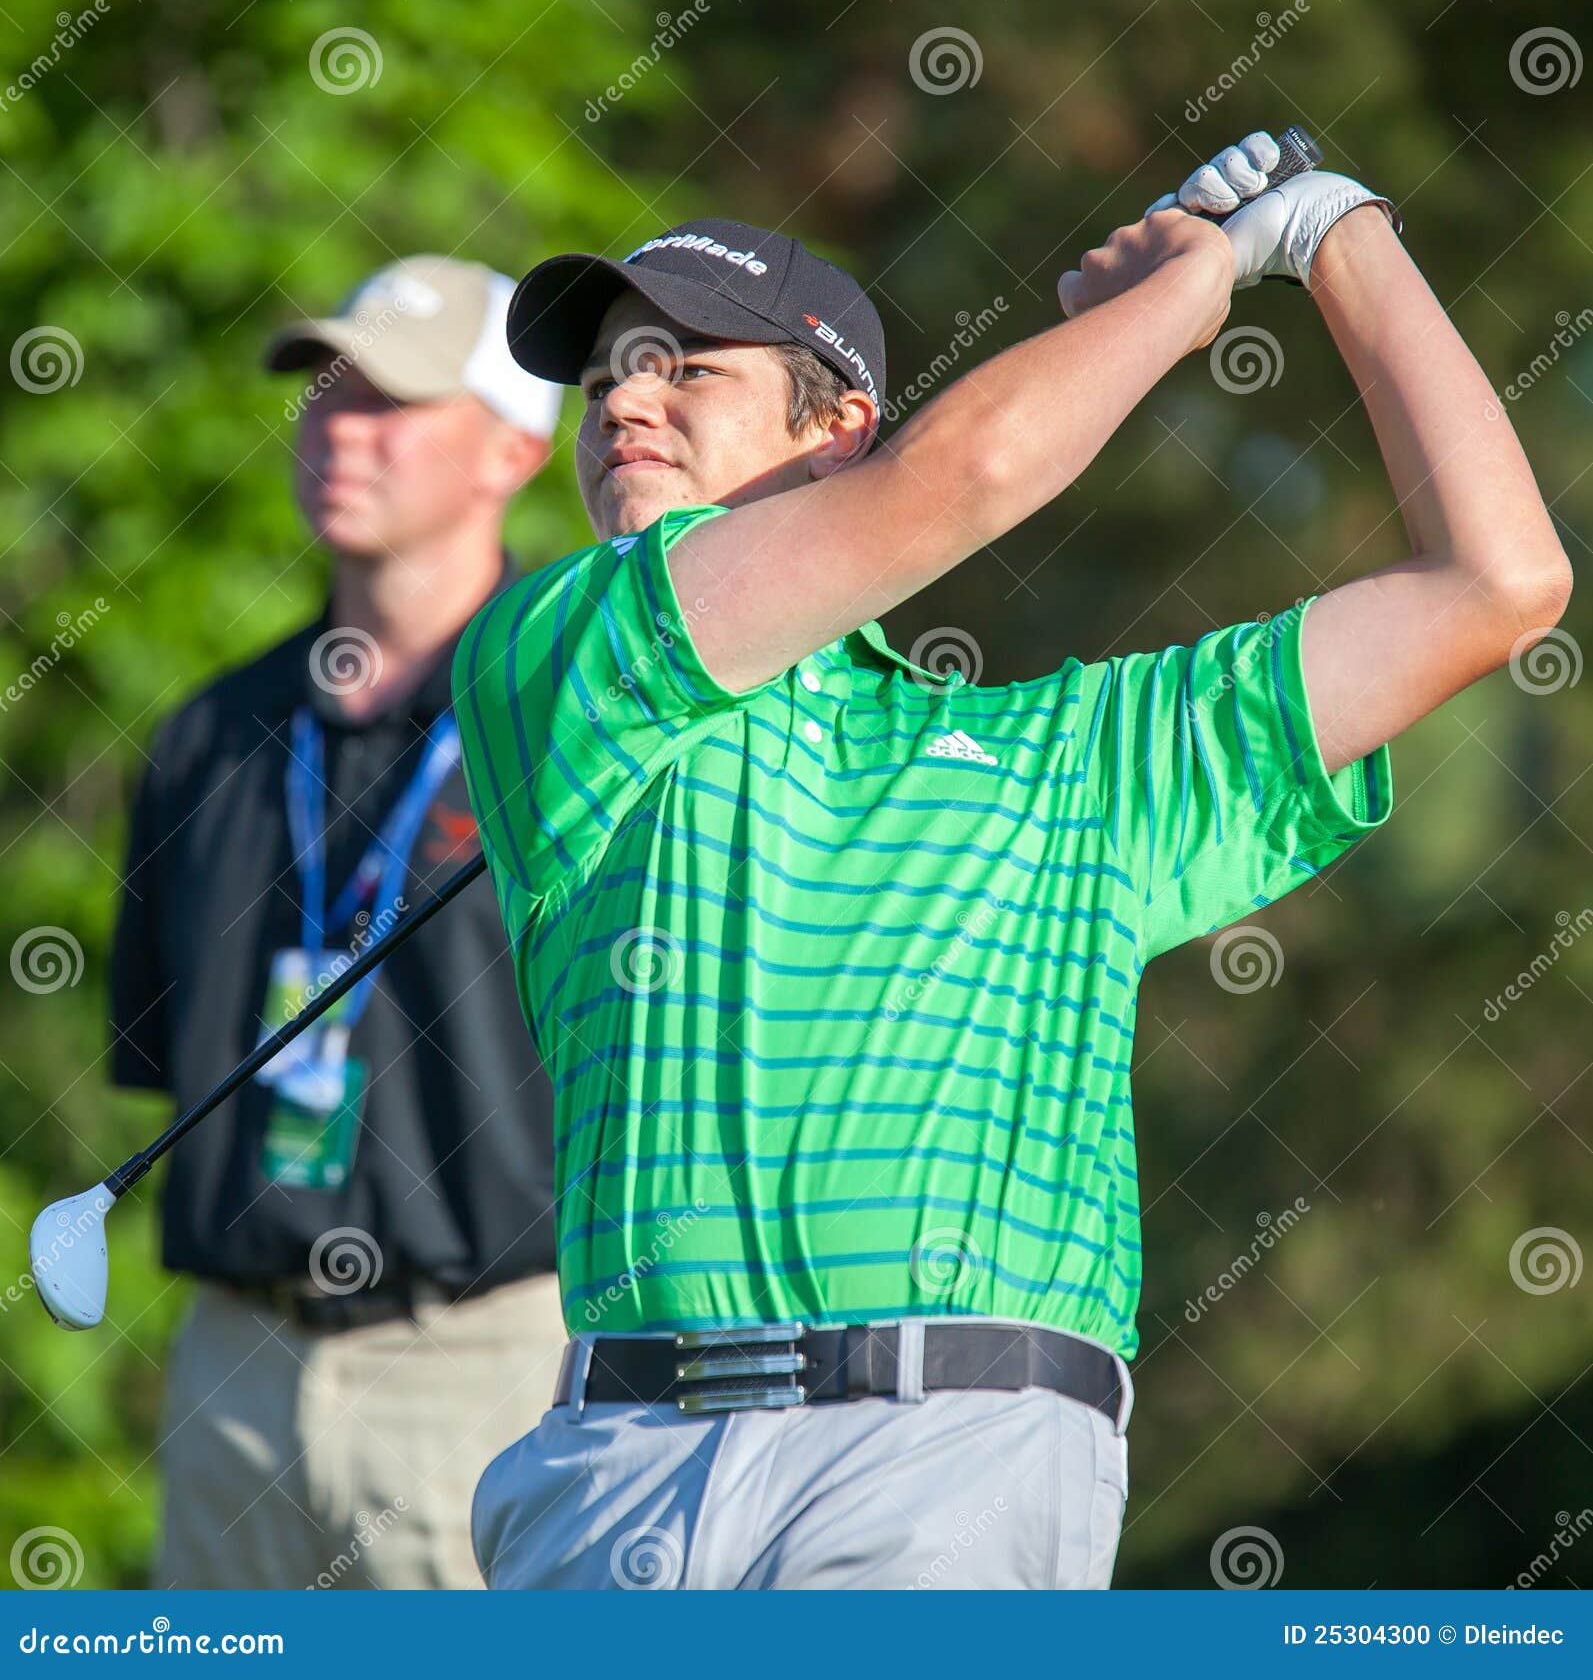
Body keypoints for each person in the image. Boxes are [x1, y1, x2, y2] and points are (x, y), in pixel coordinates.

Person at [452, 136, 1572, 1589]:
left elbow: (1497, 580)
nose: (622, 402)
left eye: (685, 369)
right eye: (605, 377)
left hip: (950, 1455)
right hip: (616, 1470)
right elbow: (961, 479)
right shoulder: (550, 655)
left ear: (837, 423)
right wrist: (1198, 279)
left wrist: (1338, 232)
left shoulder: (1076, 759)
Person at [110, 255, 572, 1589]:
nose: (338, 429)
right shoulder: (210, 735)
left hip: (488, 1365)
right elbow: (158, 1063)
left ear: (514, 447)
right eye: (326, 394)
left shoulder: (576, 727)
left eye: (393, 402)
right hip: (233, 1369)